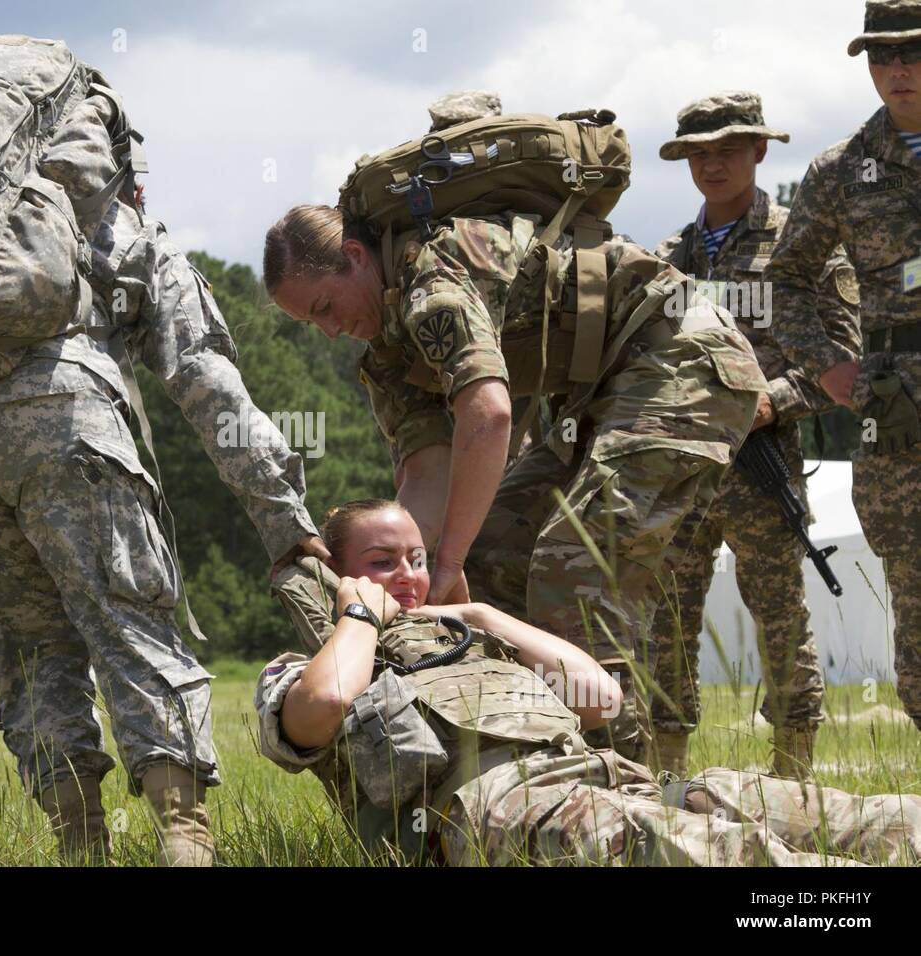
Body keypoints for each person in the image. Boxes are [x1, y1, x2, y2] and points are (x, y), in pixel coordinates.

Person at [0, 195, 323, 866]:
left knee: (27, 659)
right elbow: (205, 378)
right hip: (60, 422)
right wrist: (285, 522)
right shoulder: (110, 224)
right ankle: (184, 840)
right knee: (130, 629)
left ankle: (80, 846)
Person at [263, 190, 767, 760]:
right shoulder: (388, 354)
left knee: (573, 568)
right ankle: (521, 754)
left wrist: (445, 562)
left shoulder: (431, 278)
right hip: (602, 397)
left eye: (325, 307)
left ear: (355, 256)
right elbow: (429, 474)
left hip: (683, 357)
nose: (328, 330)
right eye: (312, 323)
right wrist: (392, 580)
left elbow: (490, 411)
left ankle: (627, 782)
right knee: (492, 552)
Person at [258, 498, 921, 865]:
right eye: (381, 563)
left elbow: (600, 700)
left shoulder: (476, 637)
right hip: (491, 813)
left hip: (597, 776)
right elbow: (324, 705)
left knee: (827, 813)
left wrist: (484, 613)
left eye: (417, 559)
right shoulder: (306, 668)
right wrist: (355, 615)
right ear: (341, 576)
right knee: (728, 858)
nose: (407, 576)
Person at [650, 92, 861, 778]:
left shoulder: (803, 246)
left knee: (778, 615)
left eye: (728, 151)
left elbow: (844, 355)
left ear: (760, 151)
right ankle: (668, 783)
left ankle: (793, 780)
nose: (712, 165)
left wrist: (772, 402)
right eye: (699, 154)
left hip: (761, 460)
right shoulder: (670, 258)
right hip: (683, 465)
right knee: (669, 621)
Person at [765, 0, 921, 733]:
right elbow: (785, 280)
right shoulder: (840, 170)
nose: (897, 71)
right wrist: (830, 368)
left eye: (913, 53)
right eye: (881, 56)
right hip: (899, 414)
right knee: (918, 603)